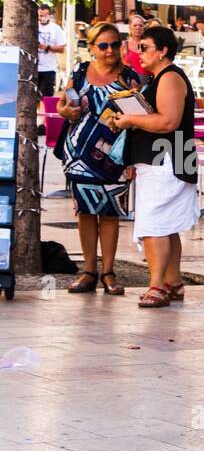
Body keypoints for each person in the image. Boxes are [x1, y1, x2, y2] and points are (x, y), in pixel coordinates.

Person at [108, 26, 199, 309]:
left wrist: (131, 121)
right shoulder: (159, 78)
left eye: (145, 47)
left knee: (154, 223)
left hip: (167, 159)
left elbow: (168, 121)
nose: (139, 52)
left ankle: (157, 284)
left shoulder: (170, 78)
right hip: (168, 157)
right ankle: (172, 282)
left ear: (162, 50)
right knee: (167, 223)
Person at [57, 22, 141, 296]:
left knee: (109, 212)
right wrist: (66, 112)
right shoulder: (81, 72)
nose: (110, 50)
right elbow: (62, 104)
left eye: (115, 44)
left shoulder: (128, 78)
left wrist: (131, 160)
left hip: (114, 154)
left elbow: (139, 119)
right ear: (92, 48)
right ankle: (89, 270)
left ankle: (108, 271)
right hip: (79, 152)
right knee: (84, 211)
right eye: (103, 45)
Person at [37, 4, 67, 97]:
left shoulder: (55, 28)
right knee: (33, 98)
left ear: (50, 15)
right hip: (33, 68)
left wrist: (46, 47)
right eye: (40, 15)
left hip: (48, 68)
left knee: (46, 97)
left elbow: (62, 49)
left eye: (45, 15)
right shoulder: (33, 26)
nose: (42, 18)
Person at [123, 13, 151, 82]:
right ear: (130, 27)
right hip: (128, 82)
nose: (137, 28)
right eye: (135, 25)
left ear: (143, 28)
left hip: (146, 82)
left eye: (140, 25)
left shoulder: (149, 44)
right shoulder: (124, 44)